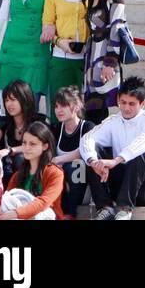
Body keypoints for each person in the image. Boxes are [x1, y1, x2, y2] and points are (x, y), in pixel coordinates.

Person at [80, 76, 145, 220]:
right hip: (124, 186)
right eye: (123, 102)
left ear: (143, 104)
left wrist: (116, 160)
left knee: (140, 154)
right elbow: (87, 139)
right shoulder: (113, 121)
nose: (126, 108)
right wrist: (94, 162)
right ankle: (105, 207)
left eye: (132, 104)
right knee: (94, 151)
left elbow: (143, 142)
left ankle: (124, 209)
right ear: (117, 100)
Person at [41, 0, 89, 121]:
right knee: (59, 111)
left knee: (82, 112)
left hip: (86, 61)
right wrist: (59, 41)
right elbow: (47, 26)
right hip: (61, 59)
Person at [79, 0, 127, 124]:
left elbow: (117, 28)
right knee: (91, 113)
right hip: (91, 61)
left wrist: (110, 62)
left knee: (99, 113)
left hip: (104, 62)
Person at [0, 121, 63, 220]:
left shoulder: (55, 173)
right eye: (24, 143)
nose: (27, 148)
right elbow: (7, 197)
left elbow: (44, 202)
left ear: (45, 146)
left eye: (32, 144)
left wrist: (16, 213)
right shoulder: (19, 174)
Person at [50, 85, 93, 217]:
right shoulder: (56, 128)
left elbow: (84, 151)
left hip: (82, 187)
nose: (59, 110)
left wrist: (60, 159)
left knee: (76, 165)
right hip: (62, 184)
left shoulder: (87, 126)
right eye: (56, 106)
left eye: (63, 105)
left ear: (75, 107)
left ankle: (71, 213)